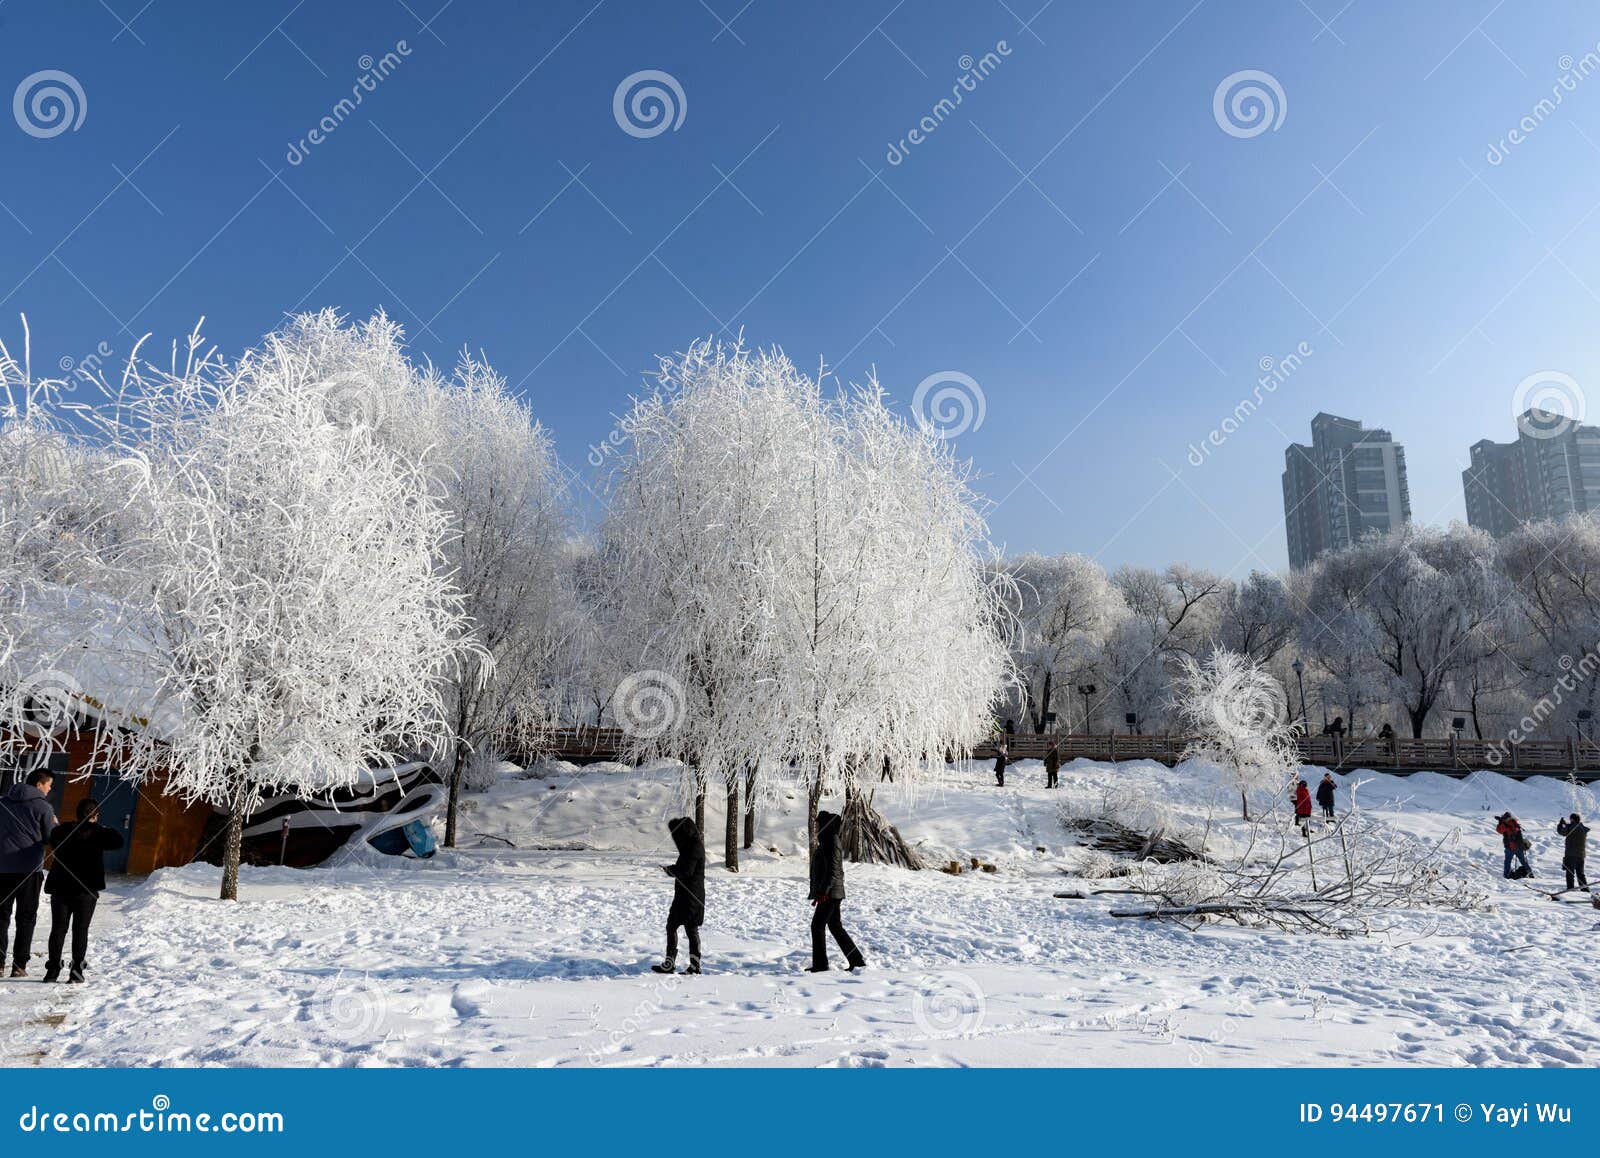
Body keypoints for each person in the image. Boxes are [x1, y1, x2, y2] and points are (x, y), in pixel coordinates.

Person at [42, 798, 124, 984]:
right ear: (95, 815)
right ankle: (77, 972)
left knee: (58, 929)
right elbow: (118, 841)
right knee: (80, 930)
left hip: (60, 888)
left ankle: (52, 970)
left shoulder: (60, 831)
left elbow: (53, 841)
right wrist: (99, 826)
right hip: (86, 890)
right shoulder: (99, 833)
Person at [0, 770, 57, 978]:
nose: (50, 789)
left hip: (2, 868)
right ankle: (19, 965)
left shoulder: (2, 803)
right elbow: (52, 838)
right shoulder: (43, 807)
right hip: (29, 870)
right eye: (49, 785)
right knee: (26, 918)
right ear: (41, 784)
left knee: (1, 917)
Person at [807, 810, 864, 973]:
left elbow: (833, 870)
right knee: (835, 926)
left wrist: (824, 892)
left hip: (830, 893)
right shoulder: (827, 840)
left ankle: (821, 965)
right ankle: (857, 961)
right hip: (831, 892)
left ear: (826, 825)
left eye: (819, 823)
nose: (817, 826)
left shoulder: (831, 841)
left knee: (817, 926)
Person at [651, 817, 704, 975]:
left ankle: (688, 966)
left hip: (690, 897)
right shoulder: (691, 847)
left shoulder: (694, 848)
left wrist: (670, 870)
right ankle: (677, 964)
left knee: (686, 928)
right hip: (686, 896)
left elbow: (686, 871)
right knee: (678, 927)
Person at [1557, 813, 1589, 892]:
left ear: (1572, 819)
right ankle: (1585, 890)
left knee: (1570, 873)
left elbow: (1562, 832)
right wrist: (1566, 825)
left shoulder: (1570, 827)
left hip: (1570, 854)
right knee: (1580, 873)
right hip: (1581, 855)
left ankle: (1570, 889)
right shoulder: (1582, 828)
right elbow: (1573, 828)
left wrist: (1560, 824)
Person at [1496, 812, 1532, 879]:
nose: (1505, 819)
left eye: (1505, 818)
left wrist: (1500, 822)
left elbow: (1499, 830)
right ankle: (1530, 873)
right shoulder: (1515, 823)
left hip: (1511, 847)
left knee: (1507, 861)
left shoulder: (1507, 824)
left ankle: (1506, 875)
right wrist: (1501, 822)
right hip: (1518, 846)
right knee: (1523, 861)